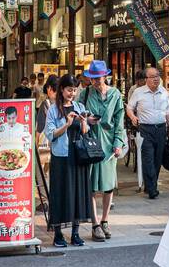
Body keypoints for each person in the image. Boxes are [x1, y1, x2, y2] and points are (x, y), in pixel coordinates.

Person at [43, 75, 94, 247]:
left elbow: (85, 132)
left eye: (74, 89)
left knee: (78, 193)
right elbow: (50, 134)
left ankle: (75, 233)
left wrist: (84, 122)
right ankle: (58, 234)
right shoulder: (53, 110)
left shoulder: (80, 106)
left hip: (78, 156)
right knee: (60, 193)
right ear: (61, 90)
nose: (72, 93)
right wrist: (66, 123)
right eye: (69, 89)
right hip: (61, 157)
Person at [80, 61, 126, 242]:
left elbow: (119, 120)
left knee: (108, 185)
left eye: (98, 78)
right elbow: (78, 114)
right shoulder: (84, 94)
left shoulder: (115, 94)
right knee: (91, 186)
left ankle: (105, 220)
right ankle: (95, 224)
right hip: (91, 142)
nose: (95, 82)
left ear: (105, 76)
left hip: (108, 144)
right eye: (92, 79)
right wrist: (86, 120)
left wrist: (119, 143)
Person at [127, 66, 169, 199]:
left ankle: (150, 186)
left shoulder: (164, 92)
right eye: (153, 77)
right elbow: (129, 108)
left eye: (158, 76)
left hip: (161, 129)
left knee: (157, 160)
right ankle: (152, 189)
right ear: (146, 79)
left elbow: (168, 112)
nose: (156, 79)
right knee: (148, 158)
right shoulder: (138, 92)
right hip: (145, 129)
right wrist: (133, 117)